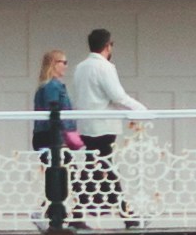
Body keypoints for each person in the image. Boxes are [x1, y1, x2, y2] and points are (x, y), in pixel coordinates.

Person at [68, 24, 146, 219]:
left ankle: (81, 210)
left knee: (94, 167)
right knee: (104, 168)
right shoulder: (104, 67)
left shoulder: (80, 67)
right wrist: (142, 111)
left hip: (86, 125)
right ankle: (125, 214)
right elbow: (117, 96)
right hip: (103, 125)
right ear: (107, 45)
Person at [30, 47, 80, 213]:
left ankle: (51, 213)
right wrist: (65, 136)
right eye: (63, 62)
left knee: (60, 178)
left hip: (49, 137)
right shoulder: (52, 86)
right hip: (52, 138)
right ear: (53, 64)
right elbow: (54, 112)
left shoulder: (50, 86)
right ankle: (49, 213)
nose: (66, 66)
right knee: (67, 178)